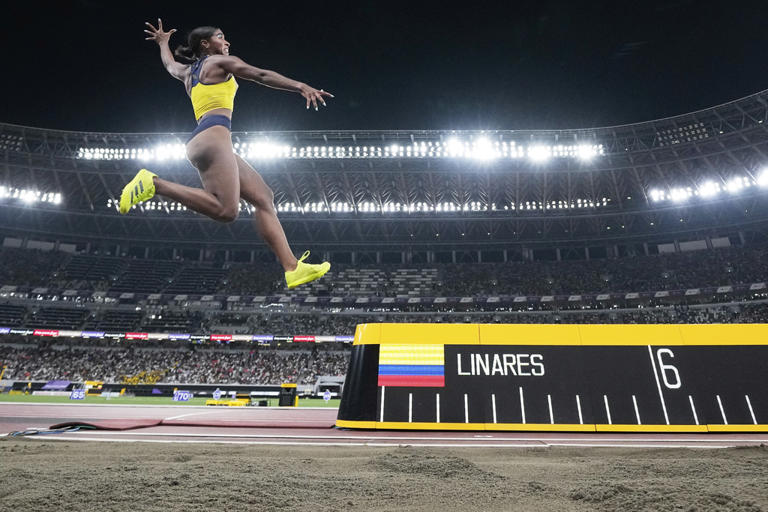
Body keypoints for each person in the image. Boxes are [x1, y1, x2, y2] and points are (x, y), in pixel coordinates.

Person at [120, 19, 332, 289]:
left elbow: (170, 65)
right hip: (214, 138)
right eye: (221, 37)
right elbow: (260, 75)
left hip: (208, 140)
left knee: (264, 197)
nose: (227, 41)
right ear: (205, 44)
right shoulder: (218, 62)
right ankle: (155, 183)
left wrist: (163, 43)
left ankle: (292, 268)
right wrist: (300, 86)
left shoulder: (188, 72)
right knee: (226, 210)